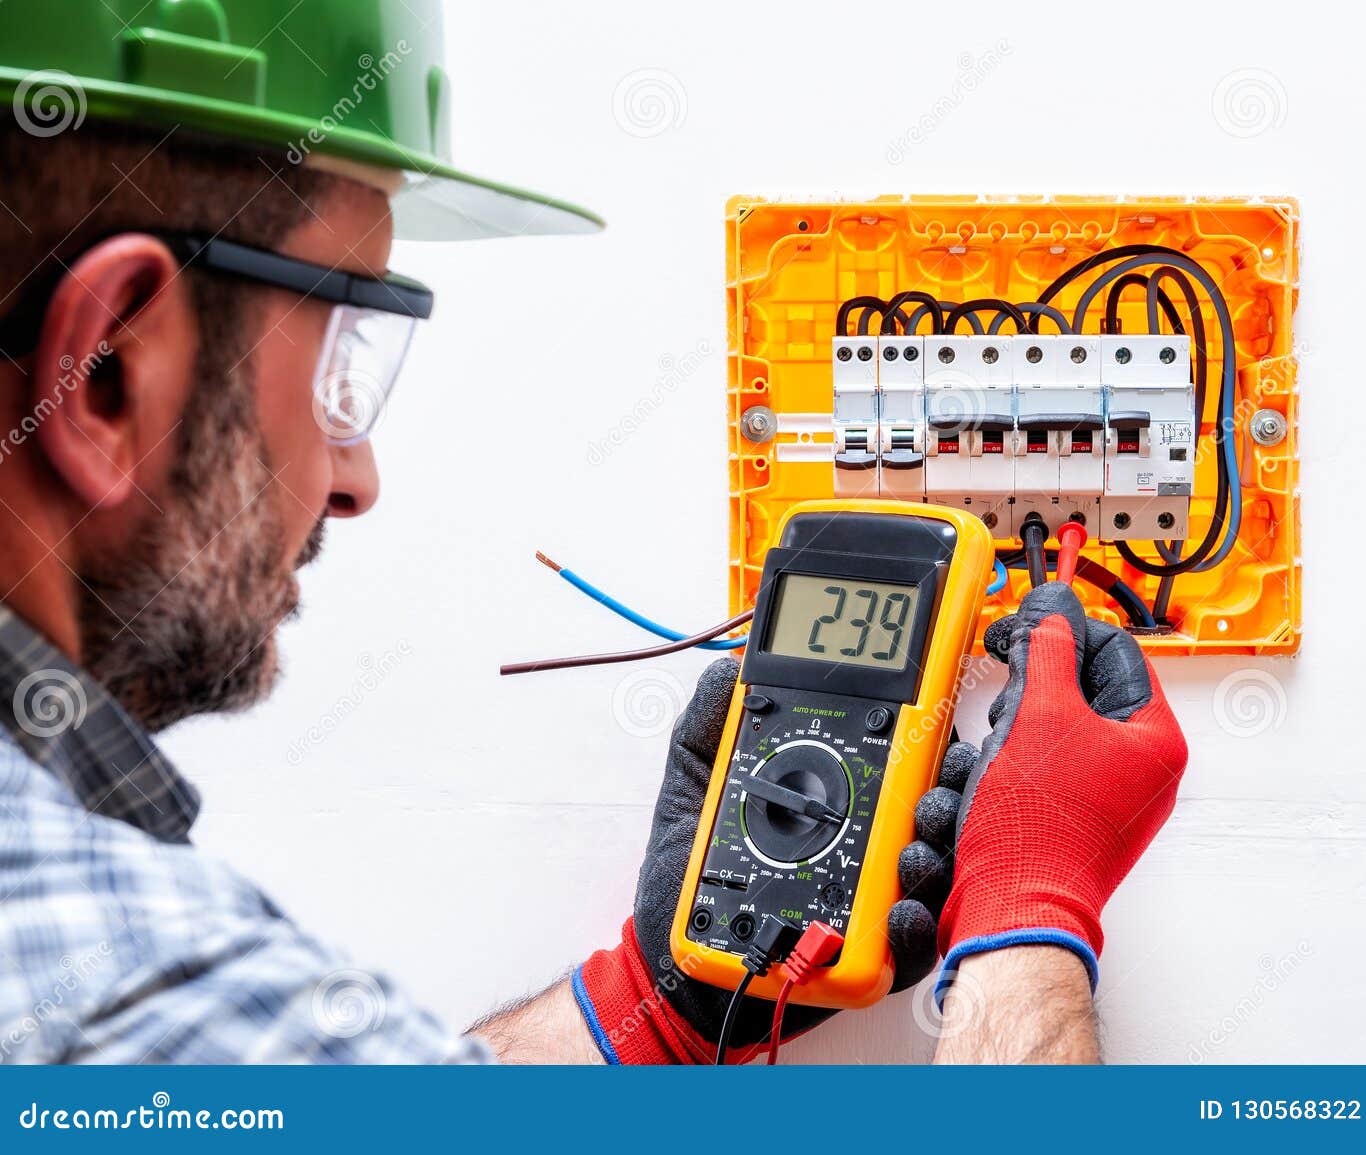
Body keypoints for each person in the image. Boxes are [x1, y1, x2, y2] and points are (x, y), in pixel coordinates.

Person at [0, 0, 1187, 1065]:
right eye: (342, 359)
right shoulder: (135, 993)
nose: (355, 477)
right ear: (104, 375)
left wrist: (648, 1004)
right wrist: (1029, 920)